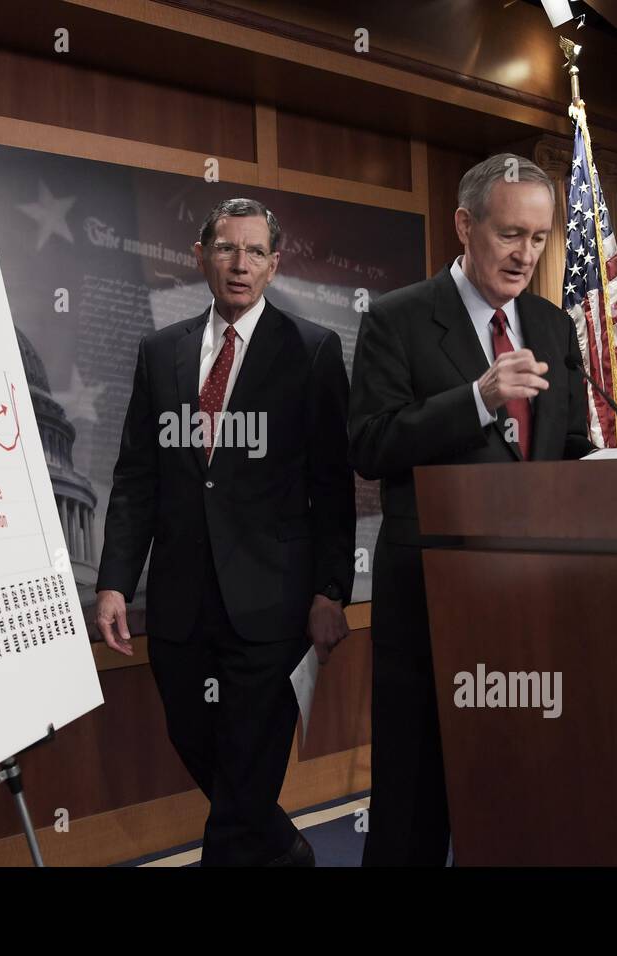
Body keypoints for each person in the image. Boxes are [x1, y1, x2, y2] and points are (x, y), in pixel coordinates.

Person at [348, 154, 593, 866]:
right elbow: (369, 443)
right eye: (511, 233)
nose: (526, 254)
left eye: (541, 238)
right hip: (429, 608)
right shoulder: (397, 319)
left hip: (533, 607)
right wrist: (477, 400)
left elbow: (568, 448)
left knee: (515, 799)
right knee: (412, 811)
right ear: (464, 224)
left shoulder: (551, 326)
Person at [95, 198, 355, 866]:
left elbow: (331, 484)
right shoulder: (161, 352)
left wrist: (331, 589)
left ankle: (250, 846)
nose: (240, 264)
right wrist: (116, 581)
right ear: (201, 255)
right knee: (200, 741)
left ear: (274, 264)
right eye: (226, 248)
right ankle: (280, 846)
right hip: (180, 602)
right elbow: (136, 478)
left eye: (255, 252)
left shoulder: (313, 350)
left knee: (245, 763)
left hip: (272, 604)